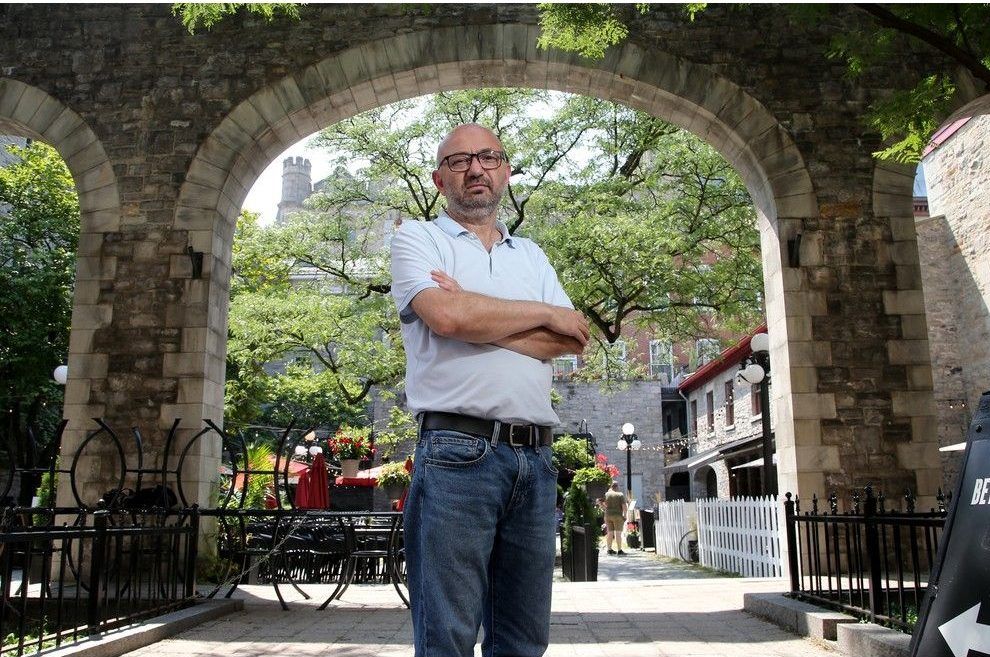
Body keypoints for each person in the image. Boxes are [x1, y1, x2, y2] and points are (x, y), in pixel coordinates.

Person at [390, 123, 589, 657]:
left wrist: (479, 311)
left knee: (524, 641)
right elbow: (448, 316)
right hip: (457, 454)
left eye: (488, 157)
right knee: (448, 638)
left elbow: (569, 341)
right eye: (459, 161)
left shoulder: (533, 256)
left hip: (536, 461)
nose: (475, 169)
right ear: (439, 179)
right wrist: (544, 312)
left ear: (505, 171)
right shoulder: (418, 238)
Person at [603, 482, 627, 555]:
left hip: (608, 515)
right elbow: (624, 506)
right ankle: (619, 550)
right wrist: (625, 515)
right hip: (617, 516)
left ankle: (609, 550)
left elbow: (604, 504)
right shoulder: (620, 495)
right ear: (617, 487)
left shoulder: (606, 494)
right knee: (618, 533)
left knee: (610, 533)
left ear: (611, 487)